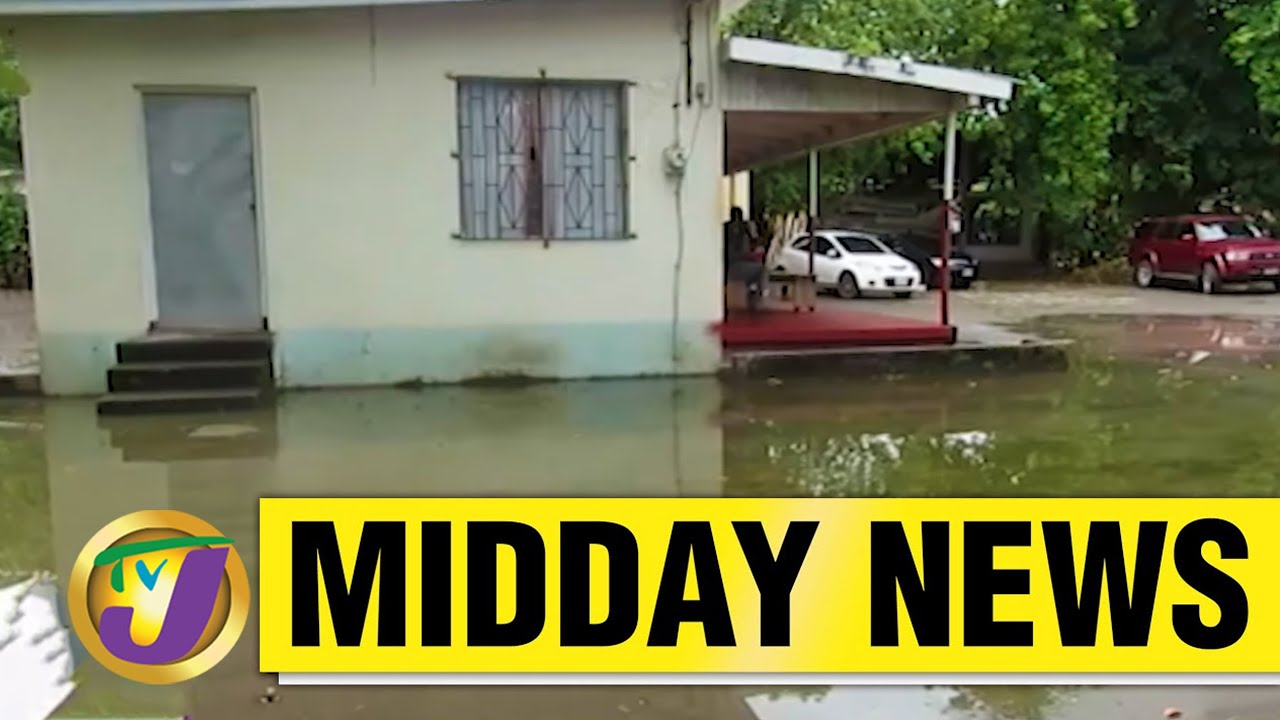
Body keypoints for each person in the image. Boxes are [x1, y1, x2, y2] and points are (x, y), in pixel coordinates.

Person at [723, 207, 765, 311]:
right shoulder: (730, 233)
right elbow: (733, 254)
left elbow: (754, 241)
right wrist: (749, 255)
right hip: (731, 266)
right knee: (759, 269)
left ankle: (753, 288)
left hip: (736, 264)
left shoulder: (740, 230)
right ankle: (753, 288)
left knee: (758, 268)